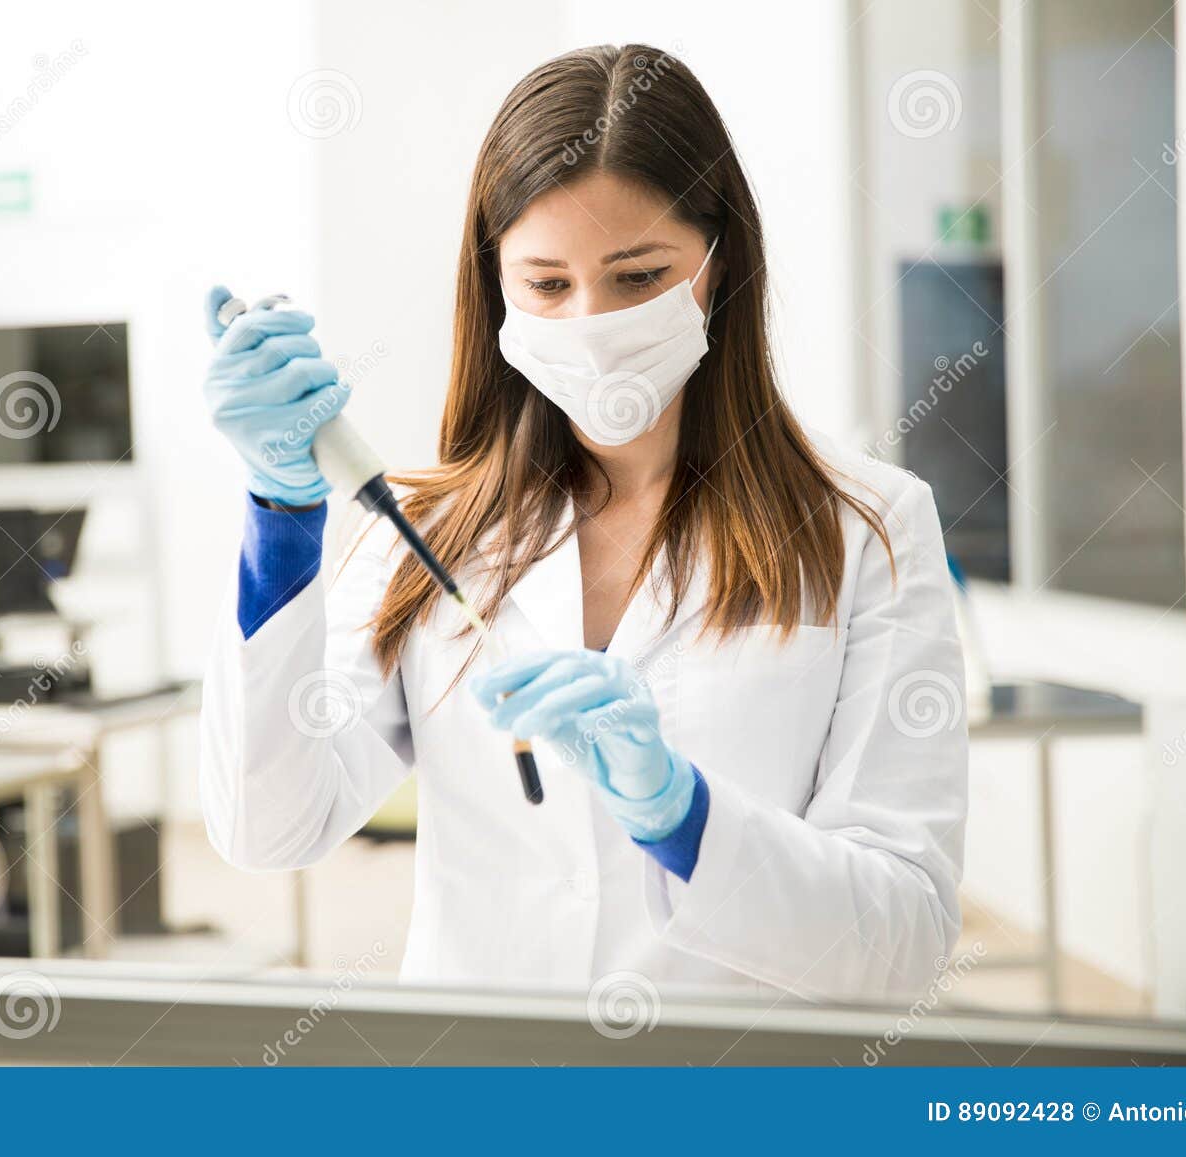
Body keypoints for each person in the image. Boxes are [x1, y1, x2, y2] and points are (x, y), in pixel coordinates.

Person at [199, 44, 967, 1002]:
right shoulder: (430, 529)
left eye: (639, 276)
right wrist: (280, 518)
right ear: (497, 290)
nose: (593, 322)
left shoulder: (868, 529)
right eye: (549, 285)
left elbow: (901, 944)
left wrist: (684, 817)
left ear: (720, 267)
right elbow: (268, 827)